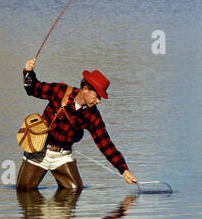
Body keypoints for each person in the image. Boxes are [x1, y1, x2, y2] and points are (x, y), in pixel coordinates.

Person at [17, 58, 138, 191]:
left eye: (100, 98)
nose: (99, 101)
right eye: (97, 96)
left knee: (75, 191)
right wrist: (28, 72)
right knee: (24, 192)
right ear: (85, 89)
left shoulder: (93, 116)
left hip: (62, 157)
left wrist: (124, 170)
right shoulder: (61, 91)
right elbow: (33, 89)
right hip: (38, 151)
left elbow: (106, 144)